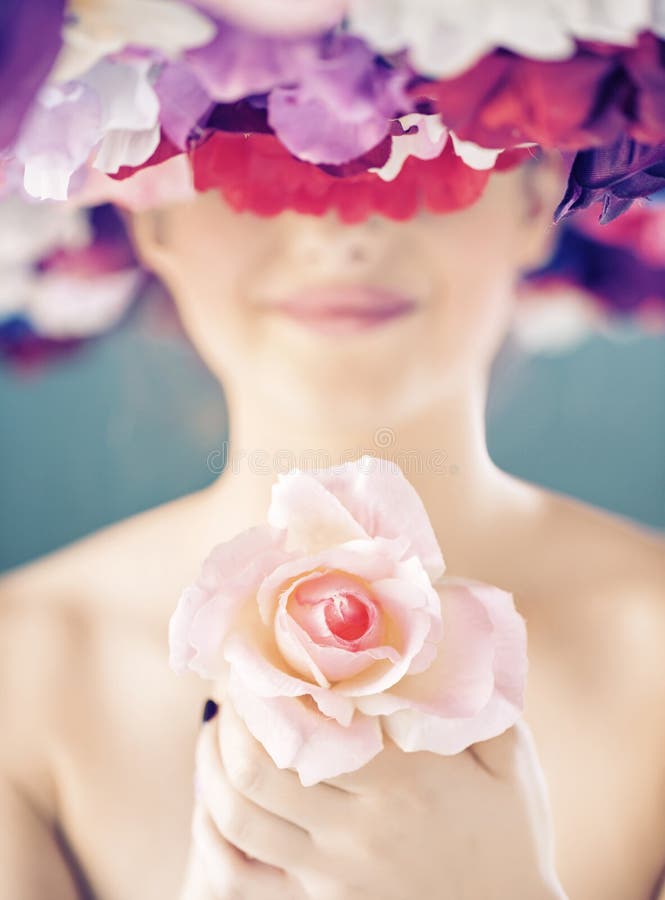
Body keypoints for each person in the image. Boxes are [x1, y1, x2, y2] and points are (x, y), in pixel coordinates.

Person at [1, 157, 664, 900]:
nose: (338, 228)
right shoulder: (17, 670)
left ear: (539, 194)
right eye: (256, 146)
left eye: (420, 140)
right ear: (147, 207)